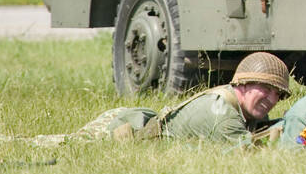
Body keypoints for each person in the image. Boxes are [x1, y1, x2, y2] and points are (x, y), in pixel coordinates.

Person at [105, 52, 291, 145]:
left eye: (278, 94)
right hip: (117, 132)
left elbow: (261, 130)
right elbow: (252, 153)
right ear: (242, 84)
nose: (272, 99)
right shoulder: (223, 115)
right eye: (266, 88)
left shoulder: (243, 107)